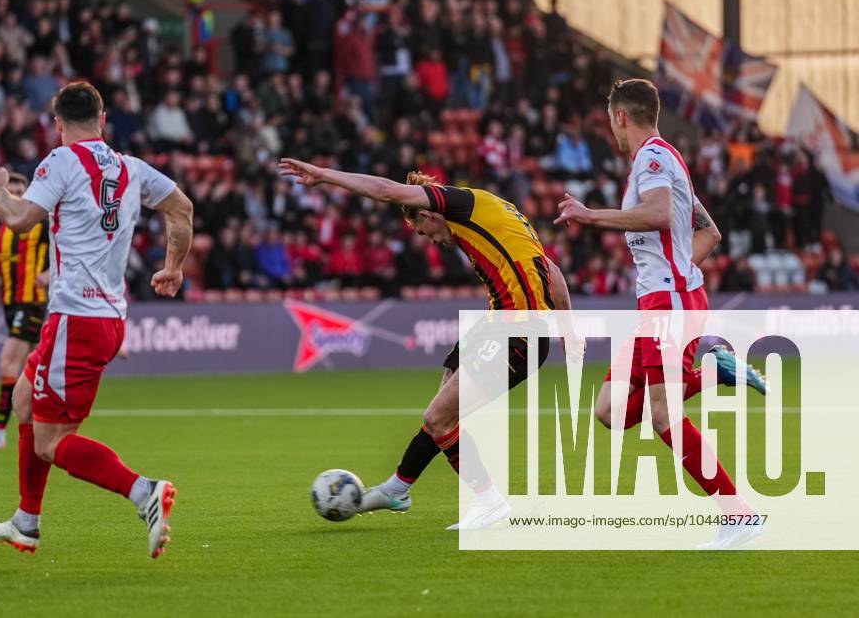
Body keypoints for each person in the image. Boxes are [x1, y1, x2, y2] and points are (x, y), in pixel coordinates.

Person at [278, 158, 572, 530]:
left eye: (422, 232)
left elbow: (385, 191)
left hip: (517, 332)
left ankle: (489, 502)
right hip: (496, 325)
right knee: (441, 410)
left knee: (439, 418)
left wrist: (325, 176)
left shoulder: (459, 203)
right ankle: (398, 488)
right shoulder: (503, 214)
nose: (431, 241)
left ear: (428, 214)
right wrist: (567, 327)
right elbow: (554, 272)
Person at [0, 81, 194, 559]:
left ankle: (145, 492)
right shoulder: (130, 167)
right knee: (22, 399)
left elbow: (18, 219)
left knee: (52, 442)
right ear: (102, 119)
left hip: (75, 319)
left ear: (57, 125)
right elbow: (182, 208)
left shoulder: (58, 161)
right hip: (106, 319)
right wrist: (173, 266)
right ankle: (26, 522)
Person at [554, 79, 768, 549]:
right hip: (662, 303)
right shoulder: (666, 160)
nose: (613, 128)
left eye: (612, 121)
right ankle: (713, 373)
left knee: (663, 416)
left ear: (621, 117)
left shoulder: (652, 160)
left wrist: (591, 216)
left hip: (668, 305)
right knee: (610, 409)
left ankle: (740, 514)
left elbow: (655, 215)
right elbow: (707, 230)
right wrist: (682, 268)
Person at [0, 172, 50, 451]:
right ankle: (40, 428)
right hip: (9, 302)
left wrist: (49, 275)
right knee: (32, 370)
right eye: (8, 190)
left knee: (7, 362)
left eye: (18, 191)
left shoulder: (41, 224)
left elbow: (69, 251)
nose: (13, 195)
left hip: (32, 301)